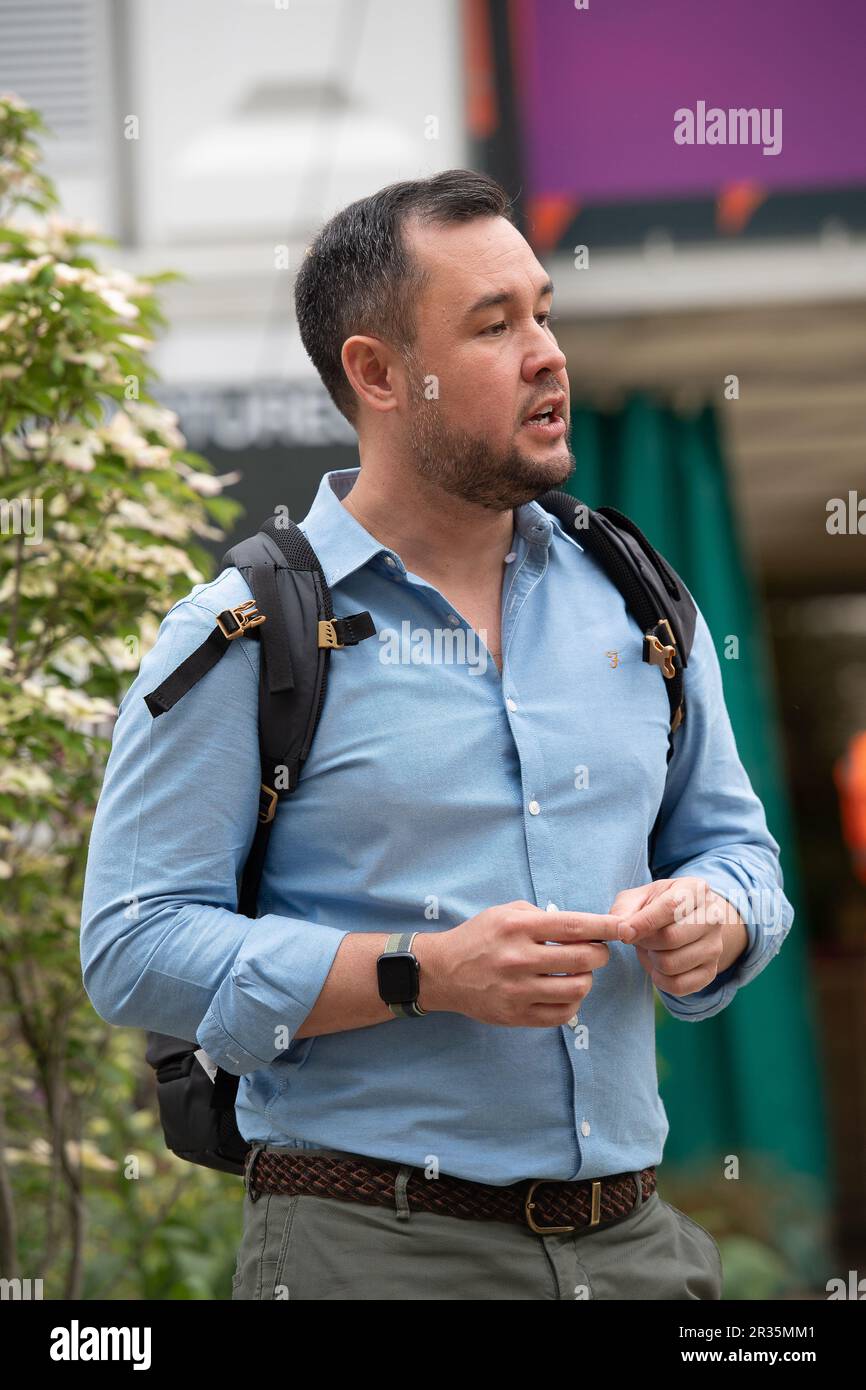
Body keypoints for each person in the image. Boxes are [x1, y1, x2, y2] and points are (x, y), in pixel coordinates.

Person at [80, 168, 793, 1301]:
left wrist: (715, 917)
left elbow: (740, 855)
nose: (546, 352)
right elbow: (129, 944)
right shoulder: (247, 630)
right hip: (374, 1249)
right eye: (491, 325)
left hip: (638, 1243)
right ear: (375, 373)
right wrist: (420, 971)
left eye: (543, 312)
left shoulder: (638, 595)